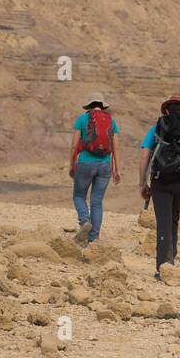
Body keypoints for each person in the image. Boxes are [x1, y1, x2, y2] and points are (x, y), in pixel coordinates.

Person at [140, 95, 180, 275]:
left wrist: (142, 184)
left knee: (163, 222)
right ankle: (171, 261)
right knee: (174, 219)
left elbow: (145, 155)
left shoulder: (156, 129)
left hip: (159, 181)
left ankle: (164, 266)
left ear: (166, 110)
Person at [69, 91, 121, 244]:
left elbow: (74, 145)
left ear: (89, 105)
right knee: (96, 201)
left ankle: (85, 221)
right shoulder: (111, 121)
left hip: (85, 162)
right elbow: (116, 147)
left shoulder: (82, 119)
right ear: (102, 105)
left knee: (79, 196)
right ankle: (94, 238)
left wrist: (72, 164)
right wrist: (117, 169)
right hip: (104, 165)